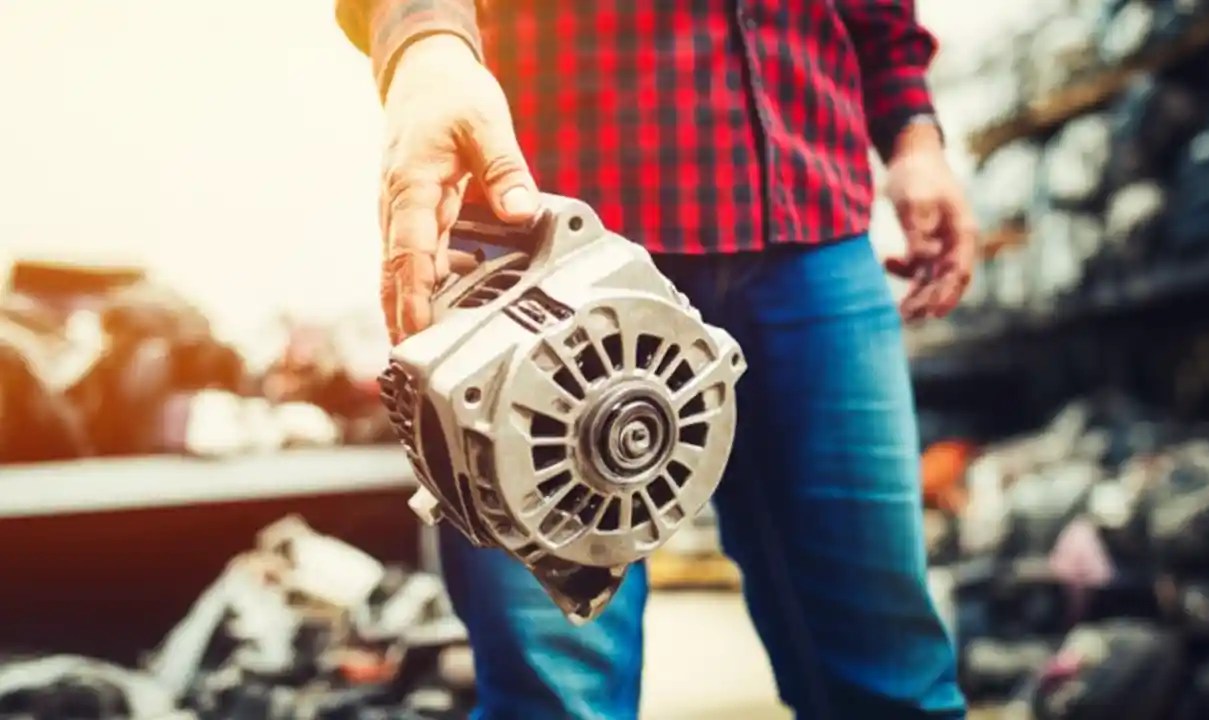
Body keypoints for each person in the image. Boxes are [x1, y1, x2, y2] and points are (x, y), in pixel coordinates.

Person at [336, 2, 977, 718]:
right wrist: (426, 49)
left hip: (812, 221)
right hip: (543, 245)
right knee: (554, 704)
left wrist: (914, 137)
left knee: (894, 684)